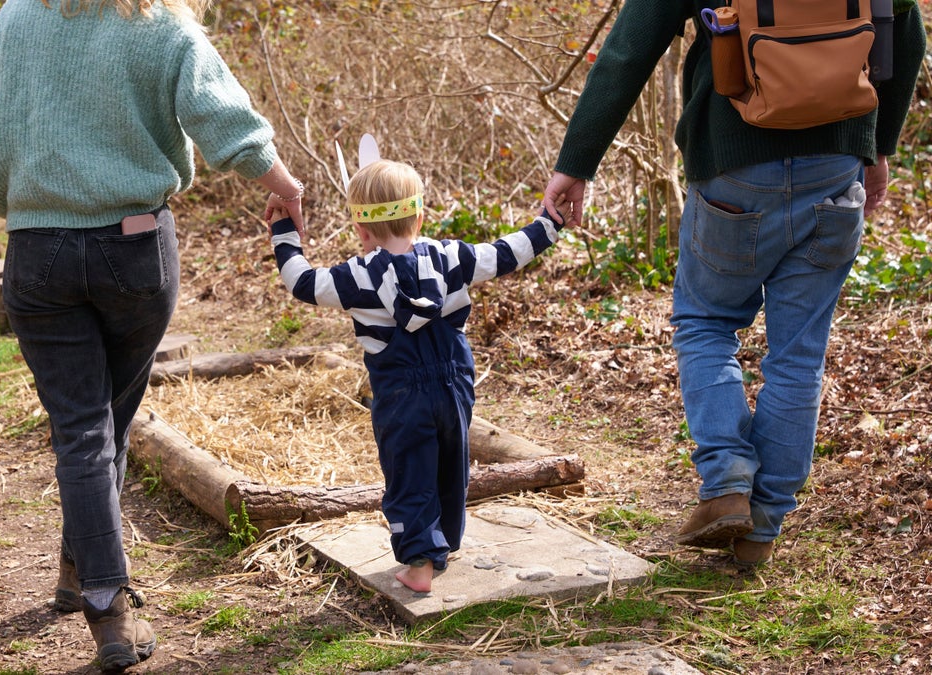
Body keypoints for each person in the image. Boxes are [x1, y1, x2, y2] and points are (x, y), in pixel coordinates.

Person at [0, 0, 305, 670]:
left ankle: (83, 577)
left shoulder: (16, 19)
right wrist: (278, 180)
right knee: (106, 424)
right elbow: (219, 113)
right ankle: (109, 609)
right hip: (134, 250)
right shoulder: (159, 21)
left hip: (38, 256)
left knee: (84, 428)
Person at [540, 1, 925, 567]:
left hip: (732, 167)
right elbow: (907, 32)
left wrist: (577, 162)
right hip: (836, 164)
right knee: (798, 355)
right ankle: (762, 528)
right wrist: (878, 146)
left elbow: (628, 49)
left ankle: (725, 482)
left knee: (705, 323)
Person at [269, 159, 563, 592]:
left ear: (362, 231)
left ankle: (420, 562)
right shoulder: (452, 257)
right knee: (450, 463)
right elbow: (507, 252)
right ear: (420, 217)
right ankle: (442, 540)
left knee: (409, 471)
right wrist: (550, 223)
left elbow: (300, 281)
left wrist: (284, 232)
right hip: (455, 384)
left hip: (400, 392)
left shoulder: (355, 277)